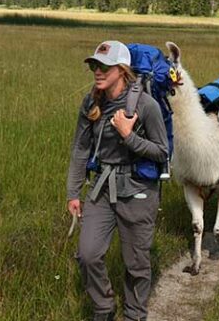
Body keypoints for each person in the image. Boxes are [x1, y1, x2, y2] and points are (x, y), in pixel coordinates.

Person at [66, 40, 169, 321]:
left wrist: (128, 136)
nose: (97, 71)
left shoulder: (146, 105)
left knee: (136, 263)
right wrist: (73, 192)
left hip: (138, 191)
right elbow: (80, 149)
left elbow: (162, 152)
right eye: (94, 66)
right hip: (102, 188)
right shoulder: (91, 102)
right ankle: (104, 307)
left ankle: (135, 314)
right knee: (87, 254)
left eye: (104, 66)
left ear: (122, 70)